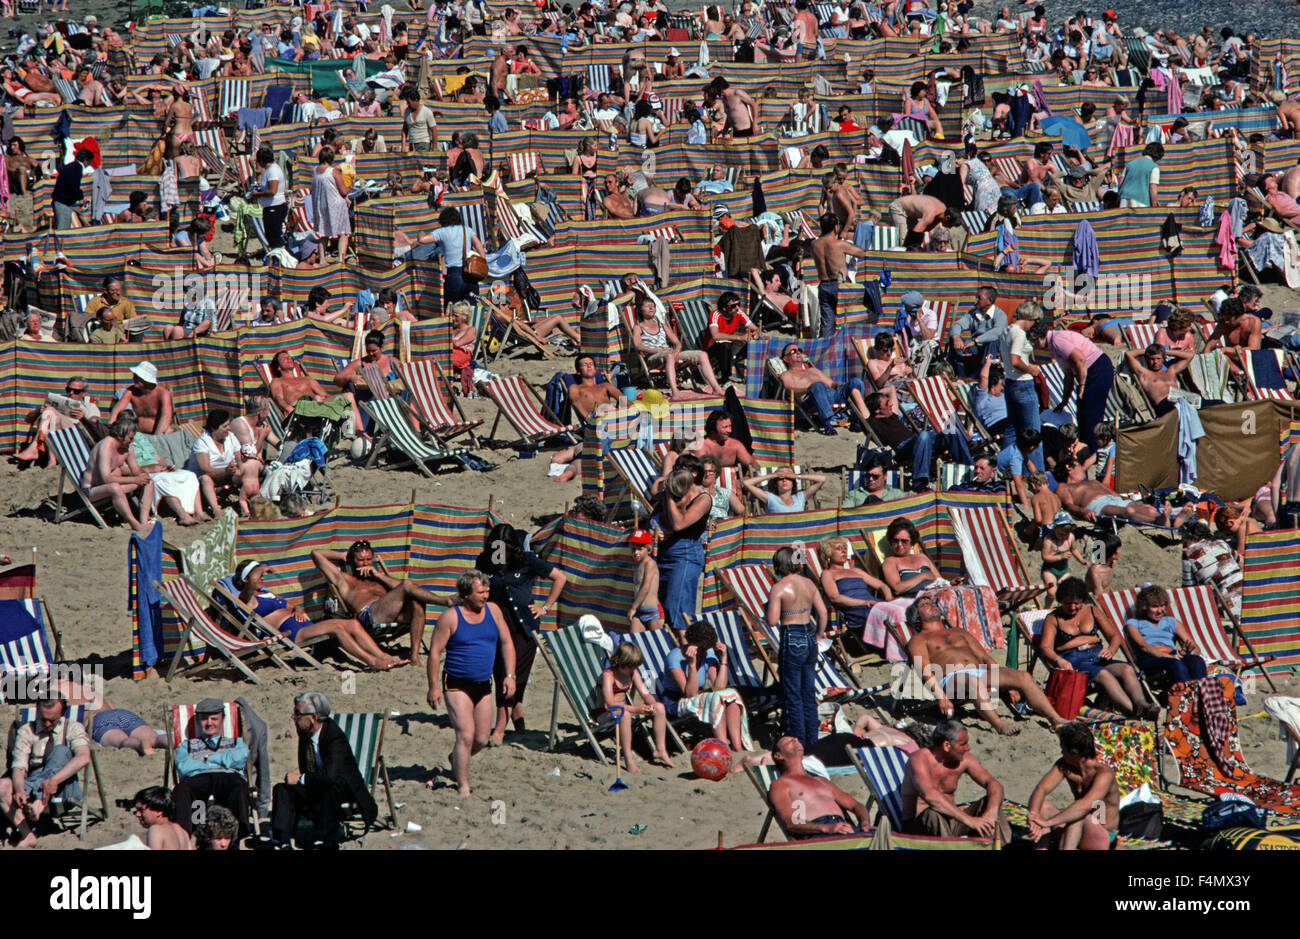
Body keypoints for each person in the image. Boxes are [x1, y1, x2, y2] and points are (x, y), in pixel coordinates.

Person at [907, 597, 1065, 733]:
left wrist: (1006, 685)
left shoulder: (958, 631)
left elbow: (984, 657)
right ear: (917, 619)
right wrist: (941, 697)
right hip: (951, 679)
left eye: (932, 602)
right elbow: (924, 671)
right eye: (924, 605)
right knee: (970, 679)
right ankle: (1000, 726)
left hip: (980, 672)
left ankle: (1055, 719)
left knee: (1023, 677)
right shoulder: (919, 640)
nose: (932, 604)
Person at [427, 571, 516, 796]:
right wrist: (433, 687)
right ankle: (463, 785)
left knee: (480, 739)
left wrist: (510, 675)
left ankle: (456, 758)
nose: (485, 595)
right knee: (465, 735)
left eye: (487, 591)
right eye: (480, 592)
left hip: (483, 683)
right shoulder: (450, 617)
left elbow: (507, 642)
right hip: (456, 683)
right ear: (466, 594)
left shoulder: (493, 611)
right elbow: (435, 653)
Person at [474, 524, 565, 745]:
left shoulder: (526, 560)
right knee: (500, 672)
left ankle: (499, 728)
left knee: (514, 675)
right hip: (496, 625)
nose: (499, 552)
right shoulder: (484, 561)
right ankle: (516, 713)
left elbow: (560, 578)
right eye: (496, 547)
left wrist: (545, 607)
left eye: (504, 548)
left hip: (524, 627)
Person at [225, 560, 403, 671]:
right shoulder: (247, 599)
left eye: (261, 574)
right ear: (246, 579)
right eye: (257, 574)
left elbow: (291, 605)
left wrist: (298, 609)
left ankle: (384, 656)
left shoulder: (267, 593)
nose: (262, 577)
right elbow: (252, 582)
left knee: (353, 624)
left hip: (305, 625)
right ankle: (371, 661)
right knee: (337, 628)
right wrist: (260, 568)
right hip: (292, 634)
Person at [311, 541, 444, 667]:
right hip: (368, 616)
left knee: (417, 603)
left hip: (391, 613)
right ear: (352, 561)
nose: (366, 563)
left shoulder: (379, 579)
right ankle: (444, 601)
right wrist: (342, 555)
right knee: (407, 585)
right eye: (361, 560)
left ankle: (414, 657)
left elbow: (408, 588)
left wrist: (379, 576)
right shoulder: (345, 579)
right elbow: (316, 553)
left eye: (369, 559)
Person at [1039, 578, 1158, 718]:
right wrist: (1059, 660)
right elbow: (1045, 647)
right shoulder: (1053, 618)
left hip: (1098, 656)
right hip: (1075, 661)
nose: (1072, 607)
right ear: (1060, 601)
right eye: (1067, 603)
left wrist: (1111, 649)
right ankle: (1133, 712)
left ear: (1083, 600)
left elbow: (1114, 636)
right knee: (1103, 674)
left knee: (1126, 669)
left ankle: (1141, 704)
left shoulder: (1092, 610)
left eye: (1076, 603)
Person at [271, 691, 377, 848]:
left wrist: (300, 779)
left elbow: (330, 775)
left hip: (342, 787)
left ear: (314, 717)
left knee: (330, 787)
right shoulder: (305, 731)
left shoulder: (334, 737)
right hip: (317, 783)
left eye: (297, 714)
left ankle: (330, 837)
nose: (294, 717)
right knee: (282, 789)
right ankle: (283, 838)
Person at [0, 696, 92, 847]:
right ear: (37, 712)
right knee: (2, 786)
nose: (48, 724)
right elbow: (19, 766)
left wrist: (54, 780)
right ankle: (27, 834)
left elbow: (84, 757)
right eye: (43, 719)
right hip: (32, 782)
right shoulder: (26, 731)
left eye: (53, 720)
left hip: (63, 784)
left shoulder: (73, 727)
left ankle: (39, 802)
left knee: (61, 751)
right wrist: (19, 789)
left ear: (62, 714)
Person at [899, 719, 1012, 840]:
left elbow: (994, 784)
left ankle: (1000, 845)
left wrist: (991, 813)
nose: (968, 748)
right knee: (933, 814)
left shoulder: (964, 760)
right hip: (918, 828)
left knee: (990, 801)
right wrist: (970, 820)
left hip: (952, 824)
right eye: (963, 744)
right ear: (947, 745)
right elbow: (931, 796)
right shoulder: (920, 759)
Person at [766, 546, 827, 748]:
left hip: (791, 636)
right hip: (809, 635)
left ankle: (798, 744)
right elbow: (823, 613)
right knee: (808, 694)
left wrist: (768, 607)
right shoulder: (809, 583)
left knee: (793, 695)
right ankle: (813, 742)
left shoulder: (779, 588)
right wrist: (818, 635)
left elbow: (772, 620)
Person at [1027, 722, 1121, 850]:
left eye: (1063, 749)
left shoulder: (1104, 774)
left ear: (1074, 752)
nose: (1061, 753)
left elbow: (1085, 806)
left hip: (1101, 835)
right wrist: (1034, 818)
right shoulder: (1065, 766)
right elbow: (1041, 789)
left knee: (1079, 815)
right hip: (1074, 832)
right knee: (1042, 806)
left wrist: (1048, 822)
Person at [171, 698, 251, 843]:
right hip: (199, 781)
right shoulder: (186, 746)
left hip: (227, 779)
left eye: (214, 718)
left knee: (239, 785)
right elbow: (184, 767)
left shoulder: (235, 742)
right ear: (197, 721)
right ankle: (187, 834)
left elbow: (240, 758)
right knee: (183, 788)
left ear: (223, 719)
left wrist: (207, 759)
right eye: (204, 719)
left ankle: (233, 836)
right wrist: (224, 759)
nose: (209, 723)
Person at [866, 389, 974, 491]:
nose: (891, 404)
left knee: (951, 430)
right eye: (886, 403)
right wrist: (871, 399)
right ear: (877, 410)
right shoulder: (872, 422)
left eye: (889, 401)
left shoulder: (892, 415)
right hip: (902, 449)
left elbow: (892, 389)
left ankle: (971, 470)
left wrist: (876, 396)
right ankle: (919, 483)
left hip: (921, 444)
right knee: (923, 434)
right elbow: (857, 398)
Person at [1029, 320, 1112, 449]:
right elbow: (1068, 375)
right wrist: (1064, 400)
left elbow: (1080, 360)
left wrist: (1082, 385)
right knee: (1082, 414)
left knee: (1090, 414)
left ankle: (1095, 451)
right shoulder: (1053, 345)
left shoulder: (1057, 340)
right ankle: (1086, 449)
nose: (1034, 345)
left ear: (1039, 338)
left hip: (1097, 369)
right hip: (1090, 371)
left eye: (1034, 342)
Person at [767, 735, 871, 838]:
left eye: (796, 739)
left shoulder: (821, 780)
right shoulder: (780, 784)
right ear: (778, 755)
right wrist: (826, 828)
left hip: (846, 829)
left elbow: (856, 805)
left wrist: (865, 823)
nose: (795, 739)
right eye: (789, 741)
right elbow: (790, 822)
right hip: (818, 832)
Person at [1054, 456, 1194, 526]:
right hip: (1097, 505)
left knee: (1144, 507)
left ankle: (1172, 519)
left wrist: (1132, 501)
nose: (1083, 468)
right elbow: (1068, 505)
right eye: (1079, 465)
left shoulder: (1093, 482)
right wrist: (1083, 512)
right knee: (1128, 512)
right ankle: (1161, 520)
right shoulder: (1063, 487)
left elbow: (1114, 494)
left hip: (1114, 499)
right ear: (1069, 468)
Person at [655, 466, 713, 636]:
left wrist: (669, 498)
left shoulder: (703, 499)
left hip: (685, 555)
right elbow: (655, 518)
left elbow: (679, 524)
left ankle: (689, 653)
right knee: (661, 611)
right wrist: (657, 530)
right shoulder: (678, 497)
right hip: (665, 553)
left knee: (678, 612)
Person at [631, 297, 725, 396]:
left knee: (702, 355)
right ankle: (675, 391)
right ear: (640, 310)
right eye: (647, 306)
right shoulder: (638, 327)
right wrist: (657, 350)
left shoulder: (662, 325)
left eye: (653, 306)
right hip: (653, 357)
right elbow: (638, 345)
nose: (651, 308)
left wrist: (676, 351)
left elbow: (677, 342)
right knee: (669, 356)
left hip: (669, 353)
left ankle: (716, 388)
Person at [82, 414, 156, 533]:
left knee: (148, 482)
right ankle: (134, 523)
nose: (133, 441)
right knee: (115, 488)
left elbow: (135, 471)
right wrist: (134, 480)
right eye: (130, 438)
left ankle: (143, 521)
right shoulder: (105, 447)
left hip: (112, 485)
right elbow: (106, 478)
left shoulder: (127, 447)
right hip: (92, 490)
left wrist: (144, 474)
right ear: (120, 436)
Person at [776, 342, 870, 435]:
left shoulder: (813, 370)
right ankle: (827, 423)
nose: (798, 352)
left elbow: (831, 384)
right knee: (818, 385)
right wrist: (811, 386)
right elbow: (790, 389)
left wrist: (840, 386)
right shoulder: (786, 375)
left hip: (829, 395)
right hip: (809, 400)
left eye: (799, 350)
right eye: (793, 351)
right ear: (786, 359)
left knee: (856, 382)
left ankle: (855, 420)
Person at [1124, 584, 1207, 687]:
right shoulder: (1134, 623)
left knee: (1197, 660)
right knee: (1175, 663)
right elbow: (1143, 646)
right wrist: (1169, 657)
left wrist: (1190, 650)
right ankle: (1186, 696)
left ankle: (1202, 693)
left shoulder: (1172, 622)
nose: (1160, 611)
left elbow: (1195, 647)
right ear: (1144, 607)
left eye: (1162, 605)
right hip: (1150, 659)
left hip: (1173, 655)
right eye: (1154, 606)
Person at [187, 408, 263, 519]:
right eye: (225, 426)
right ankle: (216, 509)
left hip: (228, 474)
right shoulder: (202, 443)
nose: (229, 428)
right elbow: (206, 470)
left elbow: (239, 460)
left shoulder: (230, 438)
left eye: (229, 425)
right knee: (205, 479)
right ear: (214, 428)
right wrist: (225, 470)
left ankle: (255, 503)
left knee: (249, 470)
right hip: (207, 477)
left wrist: (250, 462)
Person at [266, 349, 364, 433]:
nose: (289, 359)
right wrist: (288, 408)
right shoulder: (277, 381)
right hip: (300, 409)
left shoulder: (307, 379)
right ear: (278, 367)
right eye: (284, 359)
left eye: (289, 357)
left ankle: (358, 432)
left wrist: (338, 400)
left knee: (348, 396)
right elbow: (278, 398)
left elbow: (325, 395)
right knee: (317, 398)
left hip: (318, 404)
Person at [15, 375, 102, 465]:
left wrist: (83, 418)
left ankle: (34, 449)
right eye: (68, 390)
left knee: (50, 412)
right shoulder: (59, 400)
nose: (71, 393)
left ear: (84, 393)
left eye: (76, 391)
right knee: (49, 412)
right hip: (57, 433)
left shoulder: (90, 407)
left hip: (75, 437)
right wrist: (39, 411)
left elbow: (95, 427)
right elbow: (28, 419)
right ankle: (51, 459)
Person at [811, 213, 867, 337]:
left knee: (827, 322)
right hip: (840, 285)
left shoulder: (814, 245)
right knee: (847, 319)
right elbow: (863, 253)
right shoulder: (840, 245)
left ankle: (826, 350)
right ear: (836, 227)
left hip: (824, 285)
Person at [705, 291, 760, 383]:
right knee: (725, 344)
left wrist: (756, 333)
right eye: (733, 306)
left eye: (738, 304)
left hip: (728, 348)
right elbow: (716, 335)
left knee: (755, 343)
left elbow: (755, 328)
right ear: (724, 308)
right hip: (712, 350)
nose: (737, 307)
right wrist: (739, 338)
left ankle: (754, 379)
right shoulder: (715, 315)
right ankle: (725, 380)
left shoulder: (738, 313)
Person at [1125, 343, 1194, 414]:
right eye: (1152, 359)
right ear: (1147, 359)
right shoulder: (1144, 374)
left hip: (1181, 399)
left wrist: (1164, 351)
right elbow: (1128, 354)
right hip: (1165, 404)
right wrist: (1149, 350)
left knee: (1204, 403)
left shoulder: (1171, 371)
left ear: (1163, 359)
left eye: (1158, 358)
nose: (1155, 362)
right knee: (1181, 407)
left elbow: (1190, 356)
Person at [108, 360, 173, 436]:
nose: (133, 378)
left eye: (137, 377)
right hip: (137, 435)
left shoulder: (163, 394)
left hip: (157, 433)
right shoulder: (130, 392)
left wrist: (156, 438)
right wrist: (109, 430)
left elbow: (166, 417)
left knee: (169, 431)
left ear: (146, 380)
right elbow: (116, 411)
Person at [311, 147, 351, 262]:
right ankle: (341, 259)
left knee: (323, 233)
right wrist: (350, 186)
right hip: (335, 205)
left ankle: (322, 259)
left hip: (321, 205)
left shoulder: (315, 171)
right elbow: (343, 191)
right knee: (343, 233)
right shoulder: (333, 171)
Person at [1039, 511, 1085, 601]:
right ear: (1054, 529)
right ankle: (1047, 608)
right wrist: (1060, 557)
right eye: (1060, 534)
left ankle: (1061, 609)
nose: (1063, 537)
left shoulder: (1070, 537)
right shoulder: (1048, 540)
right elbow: (1045, 557)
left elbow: (1073, 549)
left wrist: (1081, 560)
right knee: (1051, 593)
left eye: (1066, 534)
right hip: (1050, 570)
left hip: (1064, 570)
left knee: (1067, 592)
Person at [248, 145, 288, 250]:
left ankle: (278, 262)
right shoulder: (271, 169)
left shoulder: (272, 171)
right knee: (273, 238)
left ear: (262, 161)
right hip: (273, 206)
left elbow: (272, 191)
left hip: (274, 207)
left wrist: (257, 194)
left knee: (274, 239)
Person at [742, 465, 826, 514]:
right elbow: (746, 483)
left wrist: (796, 476)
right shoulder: (770, 498)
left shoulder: (800, 497)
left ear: (793, 482)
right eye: (780, 478)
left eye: (788, 477)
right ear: (775, 483)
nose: (784, 479)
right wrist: (773, 475)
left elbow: (822, 479)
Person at [627, 528, 663, 632]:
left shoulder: (650, 563)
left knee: (656, 643)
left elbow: (645, 587)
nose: (636, 552)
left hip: (652, 611)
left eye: (640, 549)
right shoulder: (638, 565)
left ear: (648, 549)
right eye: (633, 549)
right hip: (640, 609)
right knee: (634, 640)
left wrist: (633, 607)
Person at [51, 147, 93, 229]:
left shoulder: (70, 166)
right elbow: (73, 186)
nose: (89, 164)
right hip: (62, 203)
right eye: (89, 162)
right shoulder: (77, 167)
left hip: (59, 201)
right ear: (85, 160)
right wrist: (81, 198)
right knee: (63, 230)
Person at [1117, 142, 1164, 208]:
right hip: (1141, 201)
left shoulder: (1130, 164)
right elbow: (1153, 188)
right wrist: (1154, 206)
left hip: (1124, 198)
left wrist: (1119, 197)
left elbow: (1121, 182)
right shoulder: (1154, 167)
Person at [401, 87, 439, 152]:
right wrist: (403, 145)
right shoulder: (407, 111)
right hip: (412, 144)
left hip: (424, 143)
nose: (408, 104)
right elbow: (404, 129)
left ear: (416, 100)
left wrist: (434, 148)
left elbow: (434, 130)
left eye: (409, 102)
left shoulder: (426, 111)